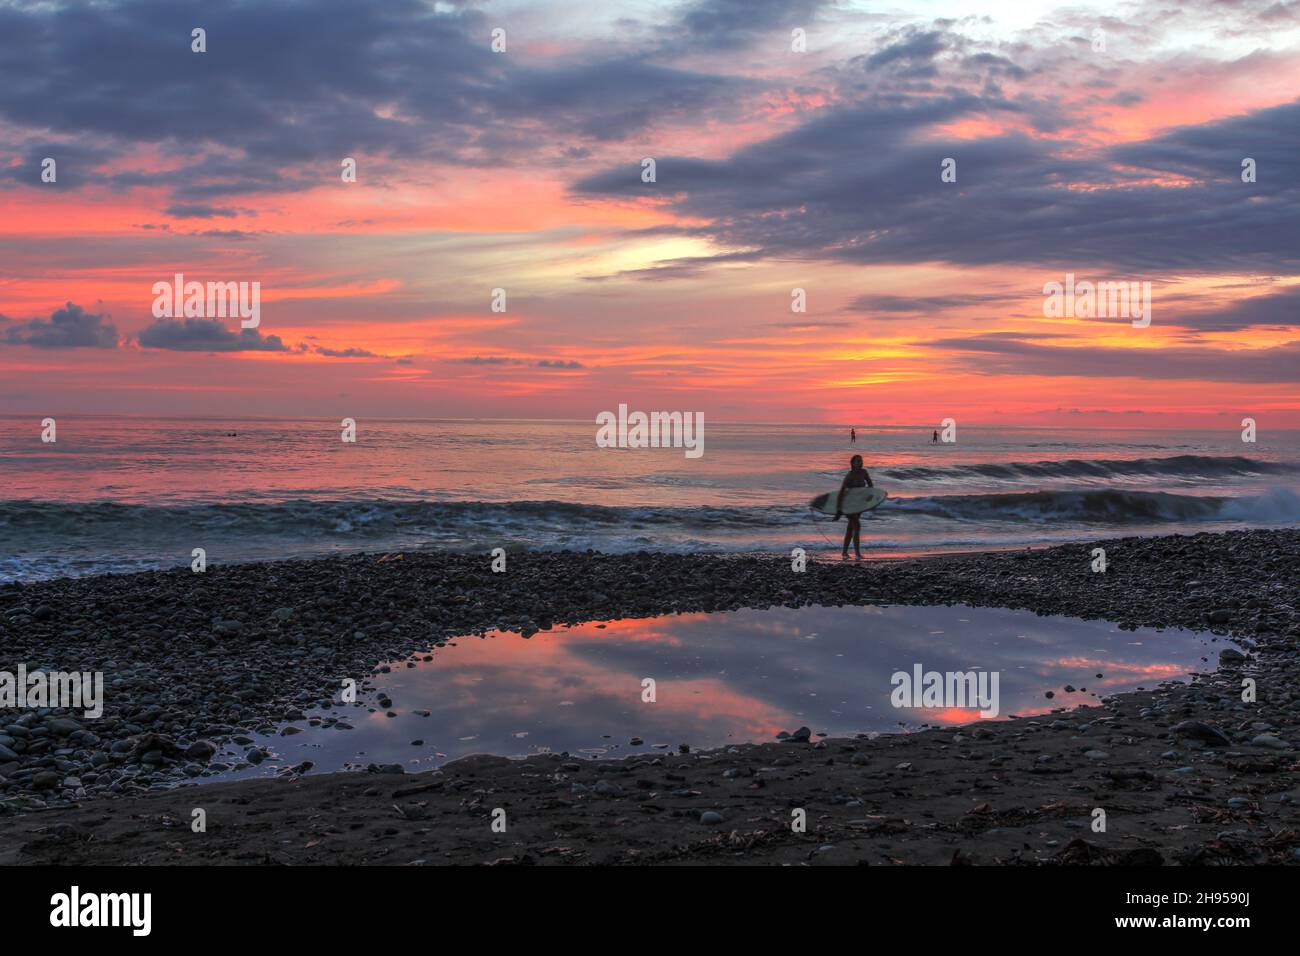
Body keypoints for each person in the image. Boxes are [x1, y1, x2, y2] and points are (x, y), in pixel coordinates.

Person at [833, 453, 873, 560]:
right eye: (858, 461)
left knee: (850, 529)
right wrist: (839, 509)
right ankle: (857, 554)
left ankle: (844, 553)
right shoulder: (849, 476)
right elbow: (841, 492)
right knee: (857, 526)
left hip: (859, 504)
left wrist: (870, 498)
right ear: (852, 463)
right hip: (849, 504)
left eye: (861, 461)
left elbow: (871, 486)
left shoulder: (864, 472)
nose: (860, 463)